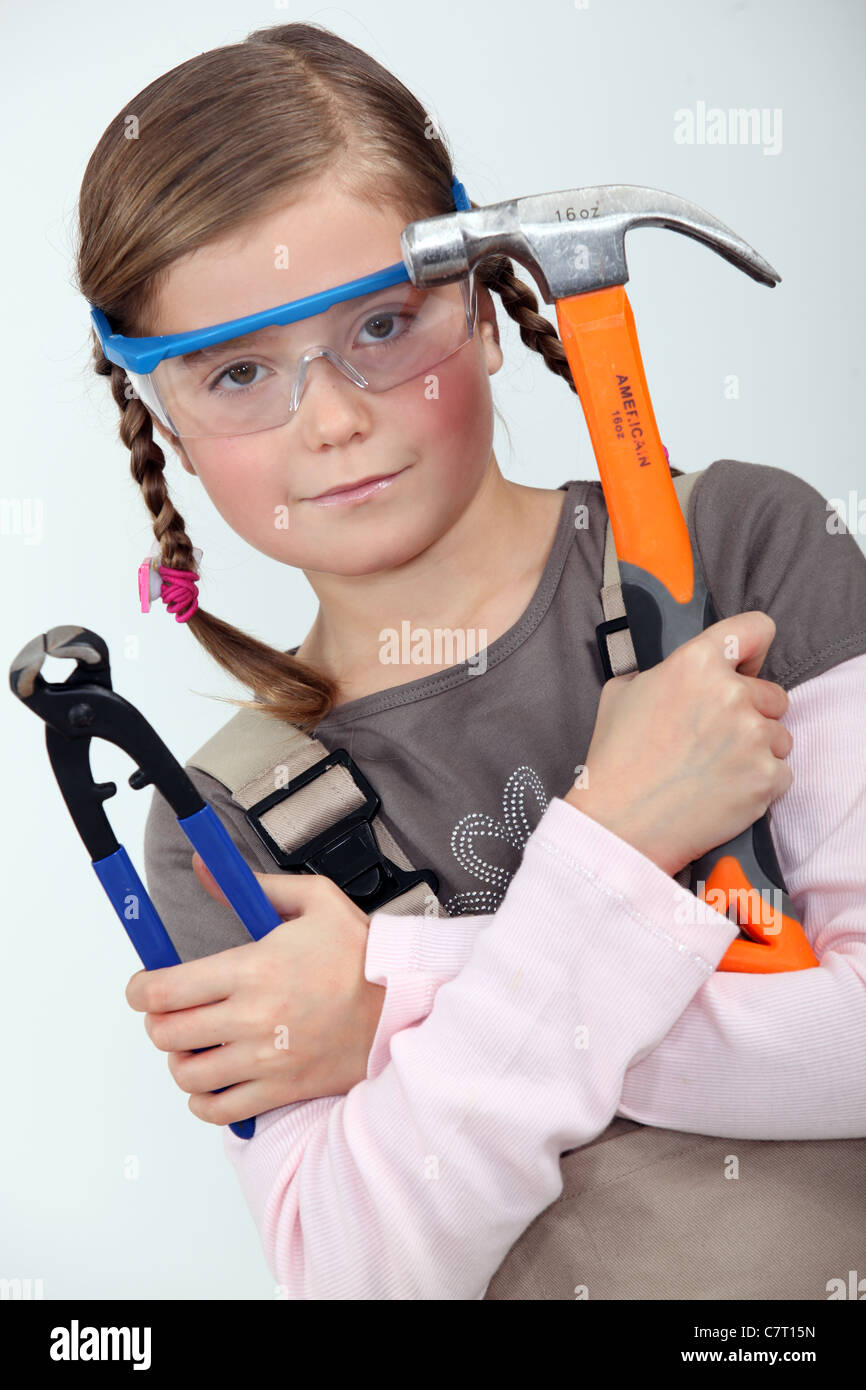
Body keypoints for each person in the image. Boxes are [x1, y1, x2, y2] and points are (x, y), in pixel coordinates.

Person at [75, 21, 866, 1299]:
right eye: (236, 372)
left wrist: (398, 996)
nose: (330, 419)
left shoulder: (745, 550)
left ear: (486, 306)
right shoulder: (215, 828)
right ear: (161, 413)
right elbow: (360, 1271)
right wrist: (609, 837)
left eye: (383, 325)